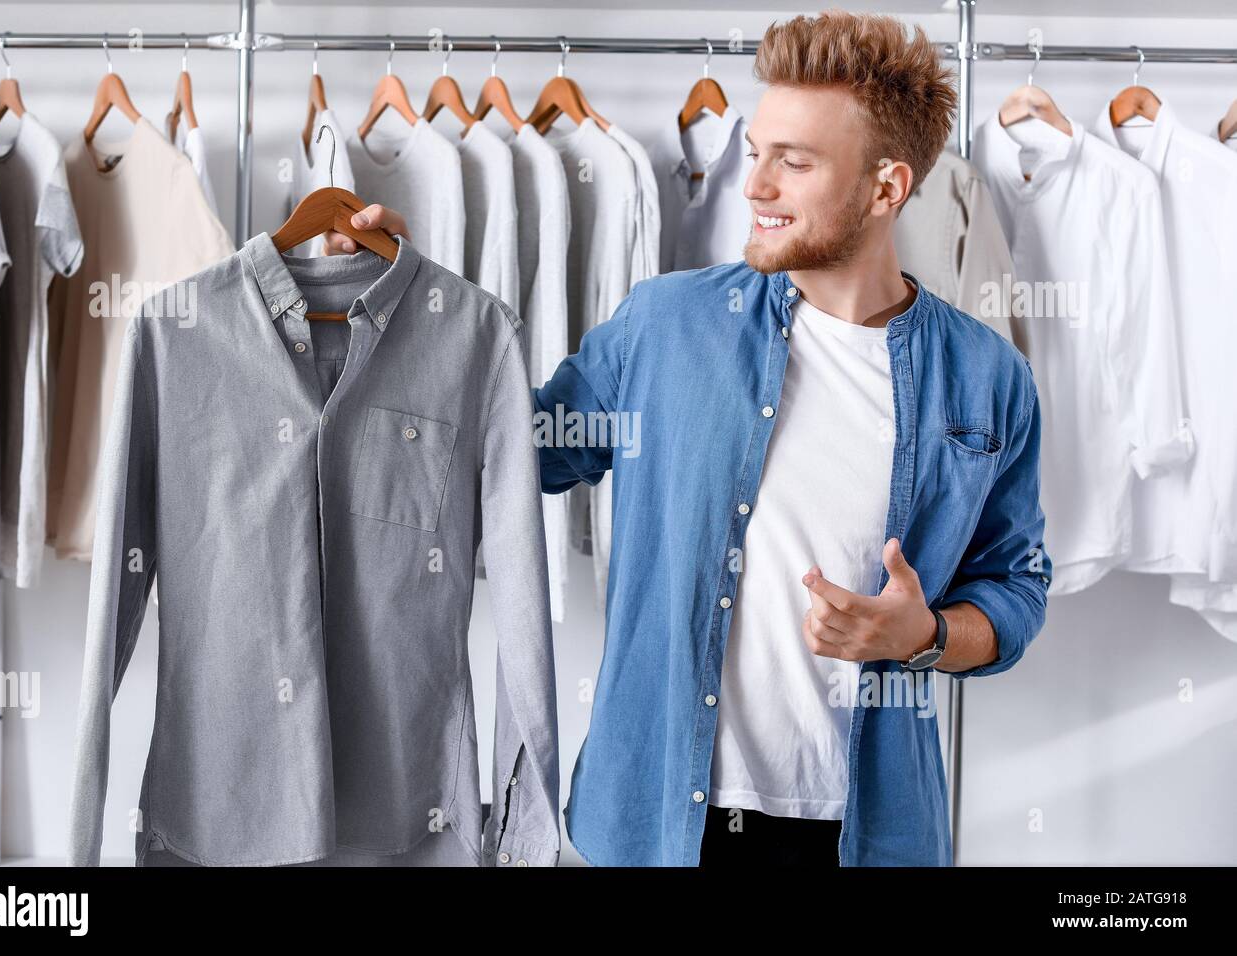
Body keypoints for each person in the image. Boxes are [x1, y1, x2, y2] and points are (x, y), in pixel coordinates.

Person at [322, 10, 1049, 867]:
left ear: (887, 188)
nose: (755, 185)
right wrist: (400, 304)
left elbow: (1015, 589)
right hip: (654, 822)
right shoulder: (664, 323)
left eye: (795, 161)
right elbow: (502, 450)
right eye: (757, 150)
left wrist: (921, 635)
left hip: (870, 835)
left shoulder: (987, 378)